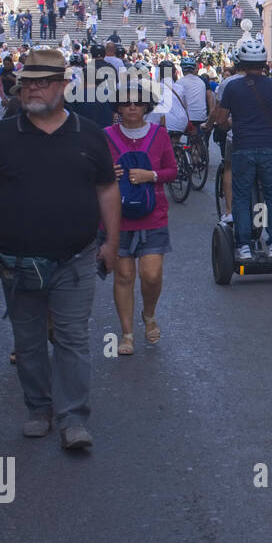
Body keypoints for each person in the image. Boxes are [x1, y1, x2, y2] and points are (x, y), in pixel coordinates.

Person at [0, 48, 120, 451]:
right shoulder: (2, 136)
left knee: (72, 337)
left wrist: (113, 243)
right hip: (15, 261)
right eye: (27, 82)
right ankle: (38, 408)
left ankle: (73, 419)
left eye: (42, 82)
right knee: (28, 341)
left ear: (63, 87)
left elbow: (107, 189)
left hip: (77, 255)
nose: (32, 89)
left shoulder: (89, 135)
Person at [102, 86, 177, 355]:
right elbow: (93, 175)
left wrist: (151, 176)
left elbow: (172, 170)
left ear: (147, 107)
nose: (132, 107)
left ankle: (149, 313)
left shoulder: (160, 135)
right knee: (123, 275)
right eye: (126, 103)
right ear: (118, 108)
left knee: (152, 274)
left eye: (138, 103)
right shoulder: (105, 137)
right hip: (116, 217)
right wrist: (106, 173)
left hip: (153, 214)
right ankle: (127, 334)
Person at [211, 34, 272, 261]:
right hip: (268, 147)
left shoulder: (233, 88)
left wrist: (233, 124)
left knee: (242, 197)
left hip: (243, 147)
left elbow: (222, 120)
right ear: (264, 63)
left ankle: (243, 246)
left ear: (241, 63)